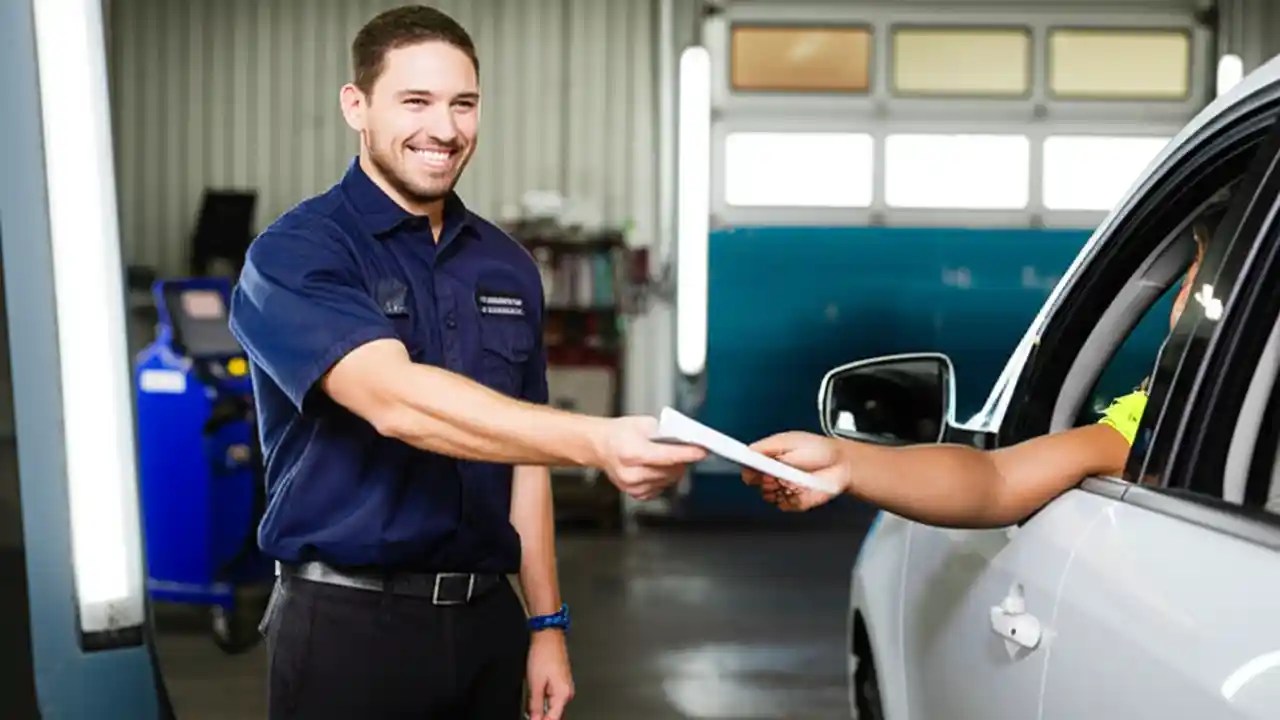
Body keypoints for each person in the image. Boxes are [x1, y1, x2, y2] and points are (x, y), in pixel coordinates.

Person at [228, 6, 705, 719]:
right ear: (355, 106)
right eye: (415, 101)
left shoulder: (506, 266)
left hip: (487, 622)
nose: (444, 129)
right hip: (347, 625)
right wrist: (600, 441)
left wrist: (545, 624)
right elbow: (397, 401)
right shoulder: (298, 253)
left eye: (463, 104)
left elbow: (524, 453)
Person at [742, 213, 1213, 527]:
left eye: (1196, 269)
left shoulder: (1167, 420)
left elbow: (998, 480)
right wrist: (843, 461)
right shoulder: (1165, 417)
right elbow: (995, 479)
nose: (1182, 294)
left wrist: (846, 462)